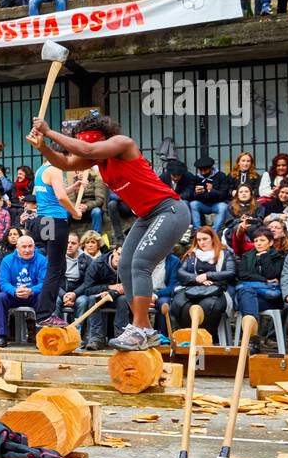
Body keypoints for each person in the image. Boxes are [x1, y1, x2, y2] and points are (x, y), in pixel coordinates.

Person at [29, 110, 190, 350]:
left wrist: (49, 131)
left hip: (169, 211)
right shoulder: (96, 160)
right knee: (125, 264)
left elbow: (89, 151)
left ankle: (138, 328)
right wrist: (43, 146)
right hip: (146, 216)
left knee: (141, 263)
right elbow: (63, 162)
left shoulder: (121, 144)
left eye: (87, 141)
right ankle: (145, 329)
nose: (84, 146)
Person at [30, 154, 83, 327]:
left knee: (58, 268)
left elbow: (53, 193)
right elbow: (60, 197)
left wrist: (74, 187)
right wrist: (75, 212)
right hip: (55, 221)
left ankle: (46, 312)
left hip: (43, 221)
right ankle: (45, 314)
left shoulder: (41, 169)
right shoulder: (55, 169)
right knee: (55, 269)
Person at [170, 226, 236, 338]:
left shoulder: (224, 253)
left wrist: (208, 275)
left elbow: (230, 272)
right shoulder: (192, 253)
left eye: (205, 239)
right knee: (182, 305)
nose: (202, 242)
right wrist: (197, 278)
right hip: (193, 288)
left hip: (216, 289)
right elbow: (181, 272)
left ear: (213, 238)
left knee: (208, 305)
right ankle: (187, 337)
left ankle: (208, 337)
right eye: (199, 240)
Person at [0, 233, 46, 347]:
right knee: (0, 297)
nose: (27, 250)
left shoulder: (42, 260)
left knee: (44, 297)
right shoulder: (7, 260)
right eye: (24, 247)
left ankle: (41, 337)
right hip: (14, 295)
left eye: (30, 246)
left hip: (33, 295)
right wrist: (14, 290)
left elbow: (44, 282)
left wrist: (31, 290)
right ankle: (2, 336)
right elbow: (3, 282)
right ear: (17, 248)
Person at [234, 227, 286, 350]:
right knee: (247, 293)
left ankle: (250, 338)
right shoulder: (247, 256)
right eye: (256, 240)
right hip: (252, 296)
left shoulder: (278, 257)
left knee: (246, 295)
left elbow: (272, 274)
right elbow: (242, 274)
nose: (258, 243)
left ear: (271, 242)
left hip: (270, 298)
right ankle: (253, 339)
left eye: (262, 240)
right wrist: (264, 280)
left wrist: (264, 256)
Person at [188, 155, 234, 231]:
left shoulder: (221, 176)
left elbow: (224, 195)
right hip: (203, 205)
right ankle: (197, 230)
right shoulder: (196, 178)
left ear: (210, 168)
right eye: (200, 170)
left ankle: (214, 231)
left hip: (216, 204)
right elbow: (191, 195)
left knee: (223, 207)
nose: (203, 172)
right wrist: (196, 193)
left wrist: (212, 191)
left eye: (205, 170)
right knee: (193, 204)